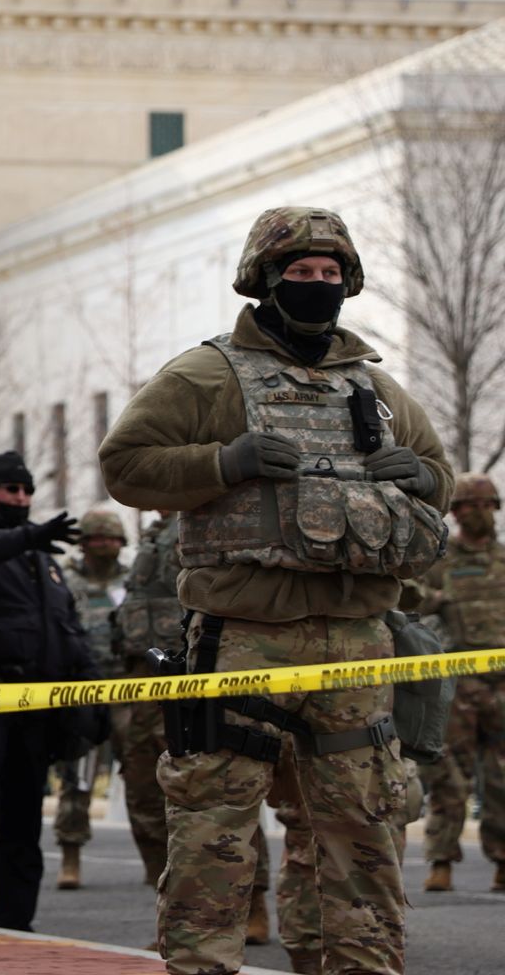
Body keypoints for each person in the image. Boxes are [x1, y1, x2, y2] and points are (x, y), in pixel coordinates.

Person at [100, 205, 451, 975]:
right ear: (265, 278)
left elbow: (438, 475)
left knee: (361, 829)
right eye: (301, 271)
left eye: (331, 274)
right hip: (244, 633)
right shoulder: (206, 375)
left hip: (358, 642)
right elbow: (124, 463)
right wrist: (224, 463)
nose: (317, 284)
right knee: (216, 828)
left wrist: (423, 476)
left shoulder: (377, 387)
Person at [0, 452, 95, 932]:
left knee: (25, 816)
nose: (21, 499)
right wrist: (30, 535)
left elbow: (66, 625)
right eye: (11, 490)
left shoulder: (42, 558)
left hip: (38, 704)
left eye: (25, 491)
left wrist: (90, 690)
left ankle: (17, 918)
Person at [417, 472, 505, 894]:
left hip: (502, 685)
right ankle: (441, 861)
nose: (482, 513)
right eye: (473, 505)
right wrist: (435, 601)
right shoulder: (441, 561)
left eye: (488, 505)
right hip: (458, 682)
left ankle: (503, 862)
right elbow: (407, 597)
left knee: (502, 777)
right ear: (457, 512)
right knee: (449, 776)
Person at [53, 508, 129, 890]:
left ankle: (158, 858)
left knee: (147, 777)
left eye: (111, 538)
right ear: (83, 543)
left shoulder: (133, 581)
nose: (104, 545)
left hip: (130, 690)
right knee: (77, 779)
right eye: (96, 538)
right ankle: (70, 855)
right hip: (82, 691)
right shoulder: (65, 581)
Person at [111, 514, 183, 887]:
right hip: (141, 676)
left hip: (185, 672)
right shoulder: (154, 534)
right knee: (140, 785)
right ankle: (163, 889)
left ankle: (249, 902)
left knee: (201, 786)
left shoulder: (202, 518)